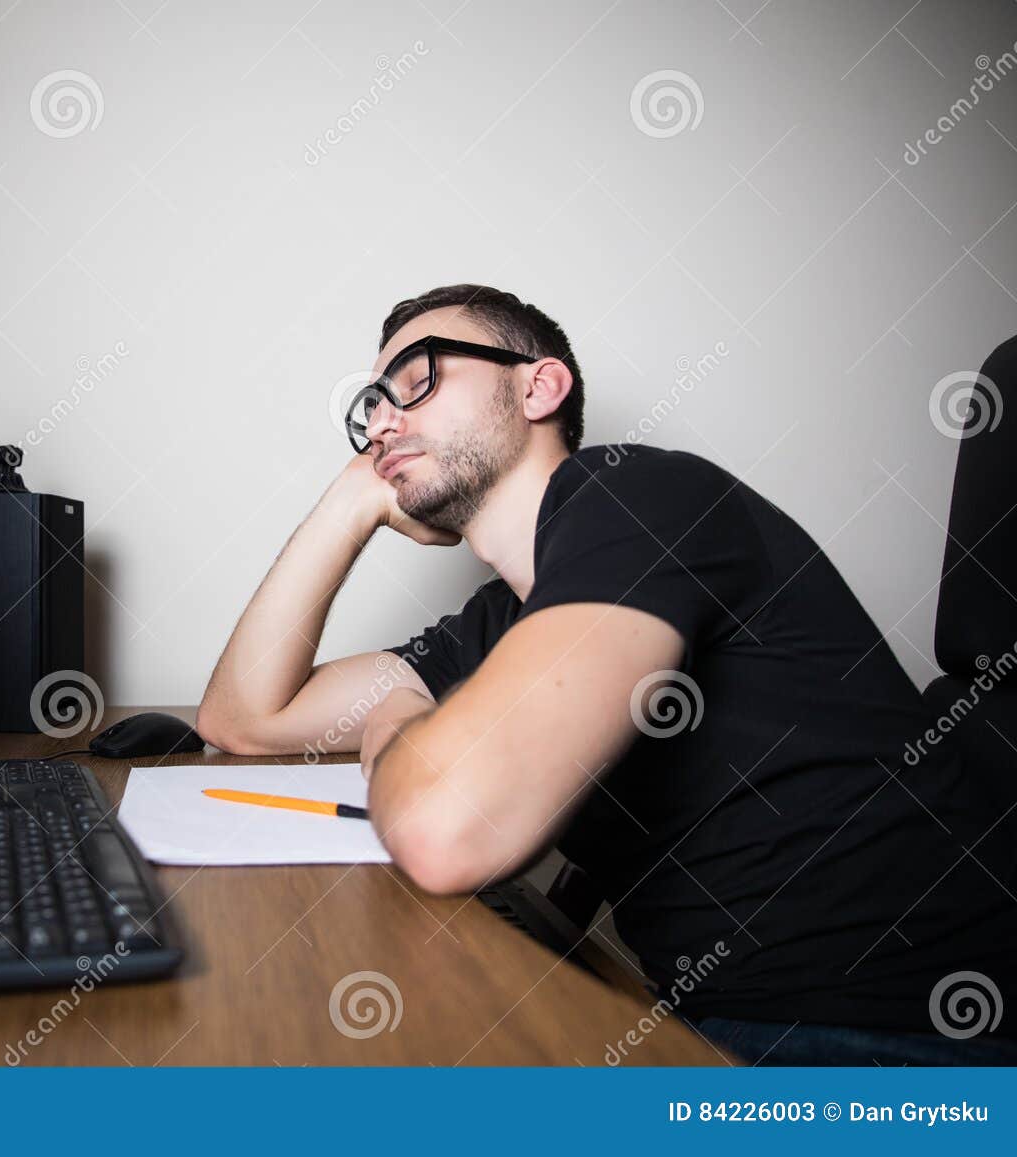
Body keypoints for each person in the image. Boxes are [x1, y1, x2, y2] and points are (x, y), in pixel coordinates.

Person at [196, 284, 1017, 1065]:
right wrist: (352, 499)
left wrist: (394, 725)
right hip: (726, 1026)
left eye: (417, 380)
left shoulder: (636, 497)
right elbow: (240, 718)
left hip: (902, 1045)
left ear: (539, 387)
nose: (382, 423)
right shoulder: (496, 622)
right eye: (369, 409)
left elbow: (445, 831)